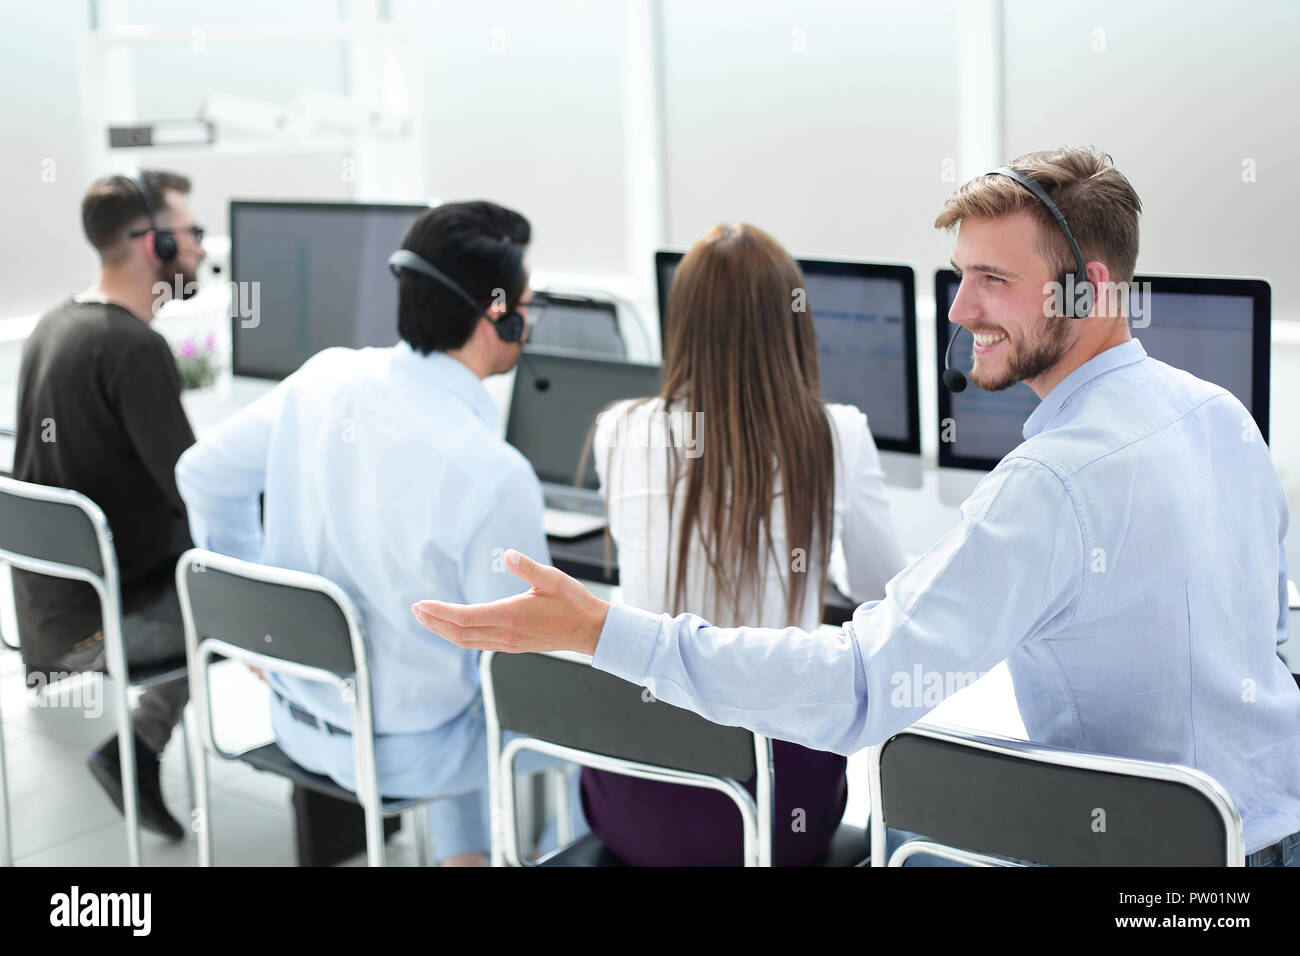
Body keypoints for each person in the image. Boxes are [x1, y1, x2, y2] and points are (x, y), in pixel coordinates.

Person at [413, 147, 1300, 867]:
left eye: (992, 278)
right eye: (960, 275)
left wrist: (602, 630)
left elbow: (864, 686)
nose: (960, 309)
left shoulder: (1050, 485)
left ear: (1090, 288)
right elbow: (1268, 634)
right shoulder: (1224, 415)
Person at [176, 201, 555, 866]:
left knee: (451, 676)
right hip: (409, 756)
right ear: (501, 317)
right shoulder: (493, 475)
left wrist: (255, 636)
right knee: (592, 737)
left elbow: (202, 472)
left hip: (300, 723)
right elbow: (517, 671)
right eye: (528, 303)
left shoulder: (326, 378)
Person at [579, 224, 904, 865]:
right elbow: (883, 596)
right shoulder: (837, 434)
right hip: (775, 814)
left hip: (635, 799)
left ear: (684, 324)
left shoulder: (618, 429)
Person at [13, 169, 206, 840]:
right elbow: (194, 492)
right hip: (105, 628)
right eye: (191, 234)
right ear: (152, 245)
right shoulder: (134, 348)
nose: (203, 250)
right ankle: (140, 750)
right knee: (254, 600)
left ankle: (134, 751)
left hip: (47, 620)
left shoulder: (54, 325)